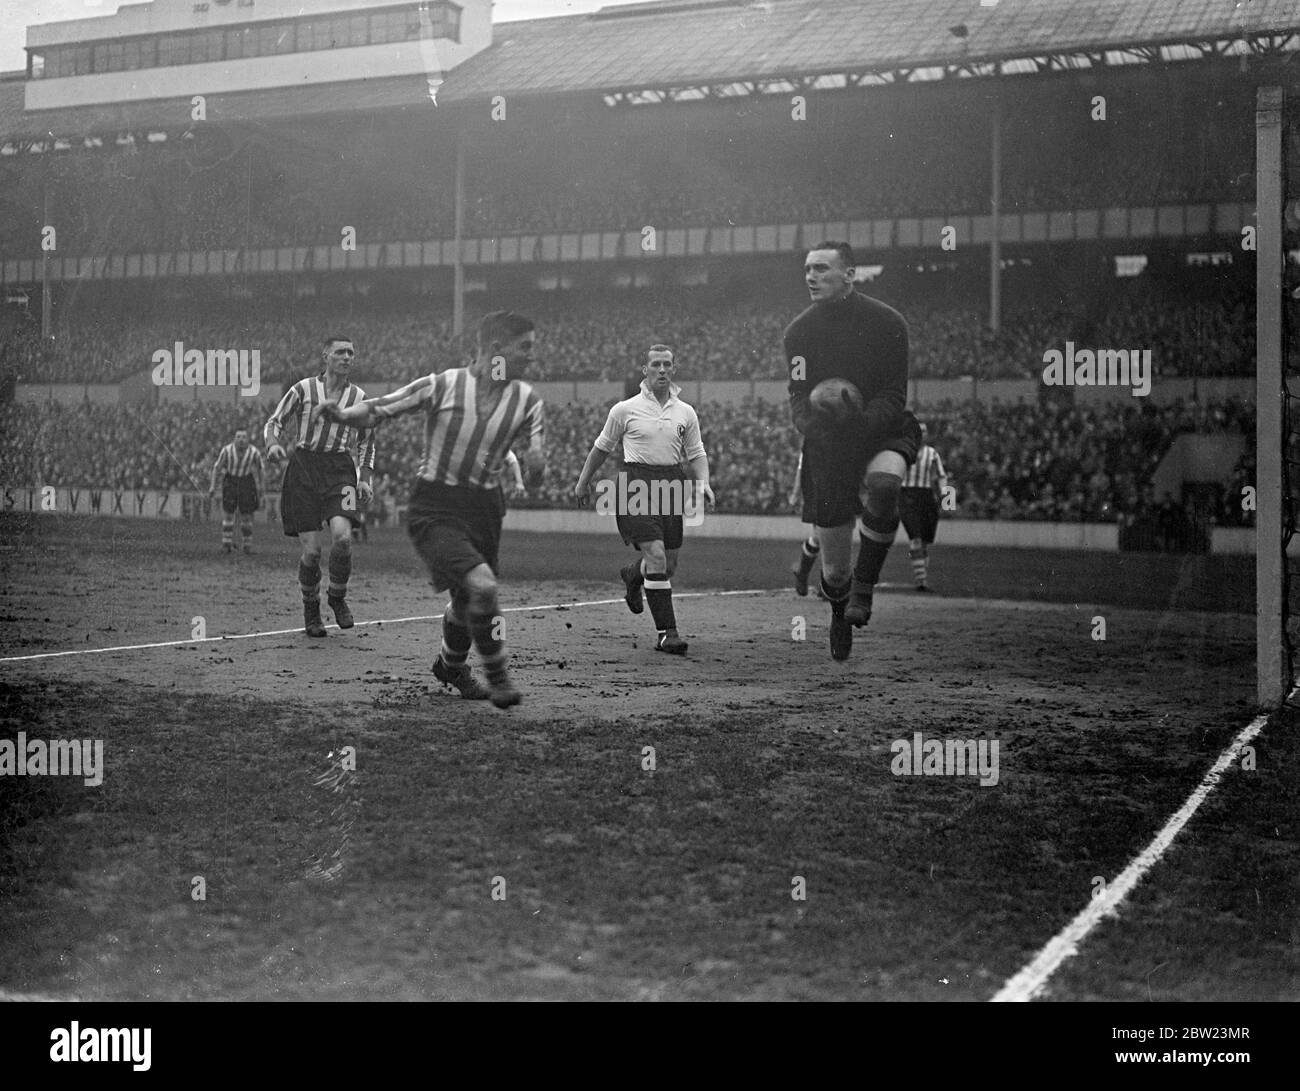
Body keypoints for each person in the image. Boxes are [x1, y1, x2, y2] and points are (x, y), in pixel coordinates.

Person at [314, 311, 545, 708]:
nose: (532, 357)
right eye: (524, 347)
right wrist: (342, 414)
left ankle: (450, 665)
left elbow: (535, 462)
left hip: (486, 507)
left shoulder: (528, 401)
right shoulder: (443, 386)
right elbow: (380, 408)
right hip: (436, 504)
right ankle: (497, 673)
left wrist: (537, 466)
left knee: (464, 598)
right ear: (495, 350)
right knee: (483, 585)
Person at [786, 241, 920, 661]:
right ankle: (841, 610)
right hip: (829, 442)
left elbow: (895, 393)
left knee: (885, 484)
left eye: (822, 269)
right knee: (833, 571)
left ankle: (866, 586)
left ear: (849, 273)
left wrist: (860, 422)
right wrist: (813, 425)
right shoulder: (798, 333)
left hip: (879, 428)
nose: (811, 276)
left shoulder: (887, 323)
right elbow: (798, 394)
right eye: (808, 269)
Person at [573, 345, 713, 655]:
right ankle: (668, 634)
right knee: (657, 555)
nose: (662, 369)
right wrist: (584, 482)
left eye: (667, 364)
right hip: (636, 484)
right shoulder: (624, 409)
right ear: (644, 369)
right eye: (656, 364)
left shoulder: (685, 412)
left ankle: (633, 575)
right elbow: (601, 449)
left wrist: (703, 483)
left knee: (668, 564)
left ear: (673, 369)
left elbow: (697, 453)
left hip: (672, 483)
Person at [264, 336, 376, 638]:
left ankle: (337, 597)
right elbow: (274, 422)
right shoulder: (303, 389)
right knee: (312, 552)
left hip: (340, 470)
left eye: (351, 352)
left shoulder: (359, 397)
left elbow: (367, 441)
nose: (347, 357)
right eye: (340, 352)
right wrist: (273, 444)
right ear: (325, 355)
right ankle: (311, 609)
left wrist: (364, 476)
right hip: (303, 468)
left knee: (342, 539)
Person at [898, 422, 948, 591]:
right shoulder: (903, 452)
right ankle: (921, 582)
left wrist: (947, 500)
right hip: (906, 495)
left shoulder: (932, 453)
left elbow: (942, 476)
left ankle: (921, 578)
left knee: (925, 542)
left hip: (926, 497)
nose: (921, 435)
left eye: (924, 431)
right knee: (916, 539)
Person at [208, 427, 265, 554]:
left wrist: (261, 487)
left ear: (248, 439)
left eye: (243, 437)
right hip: (230, 481)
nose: (241, 440)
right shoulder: (227, 451)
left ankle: (247, 546)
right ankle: (226, 544)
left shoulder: (254, 452)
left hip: (246, 482)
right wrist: (213, 485)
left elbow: (261, 469)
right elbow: (217, 468)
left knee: (246, 515)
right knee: (228, 513)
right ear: (234, 439)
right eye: (238, 437)